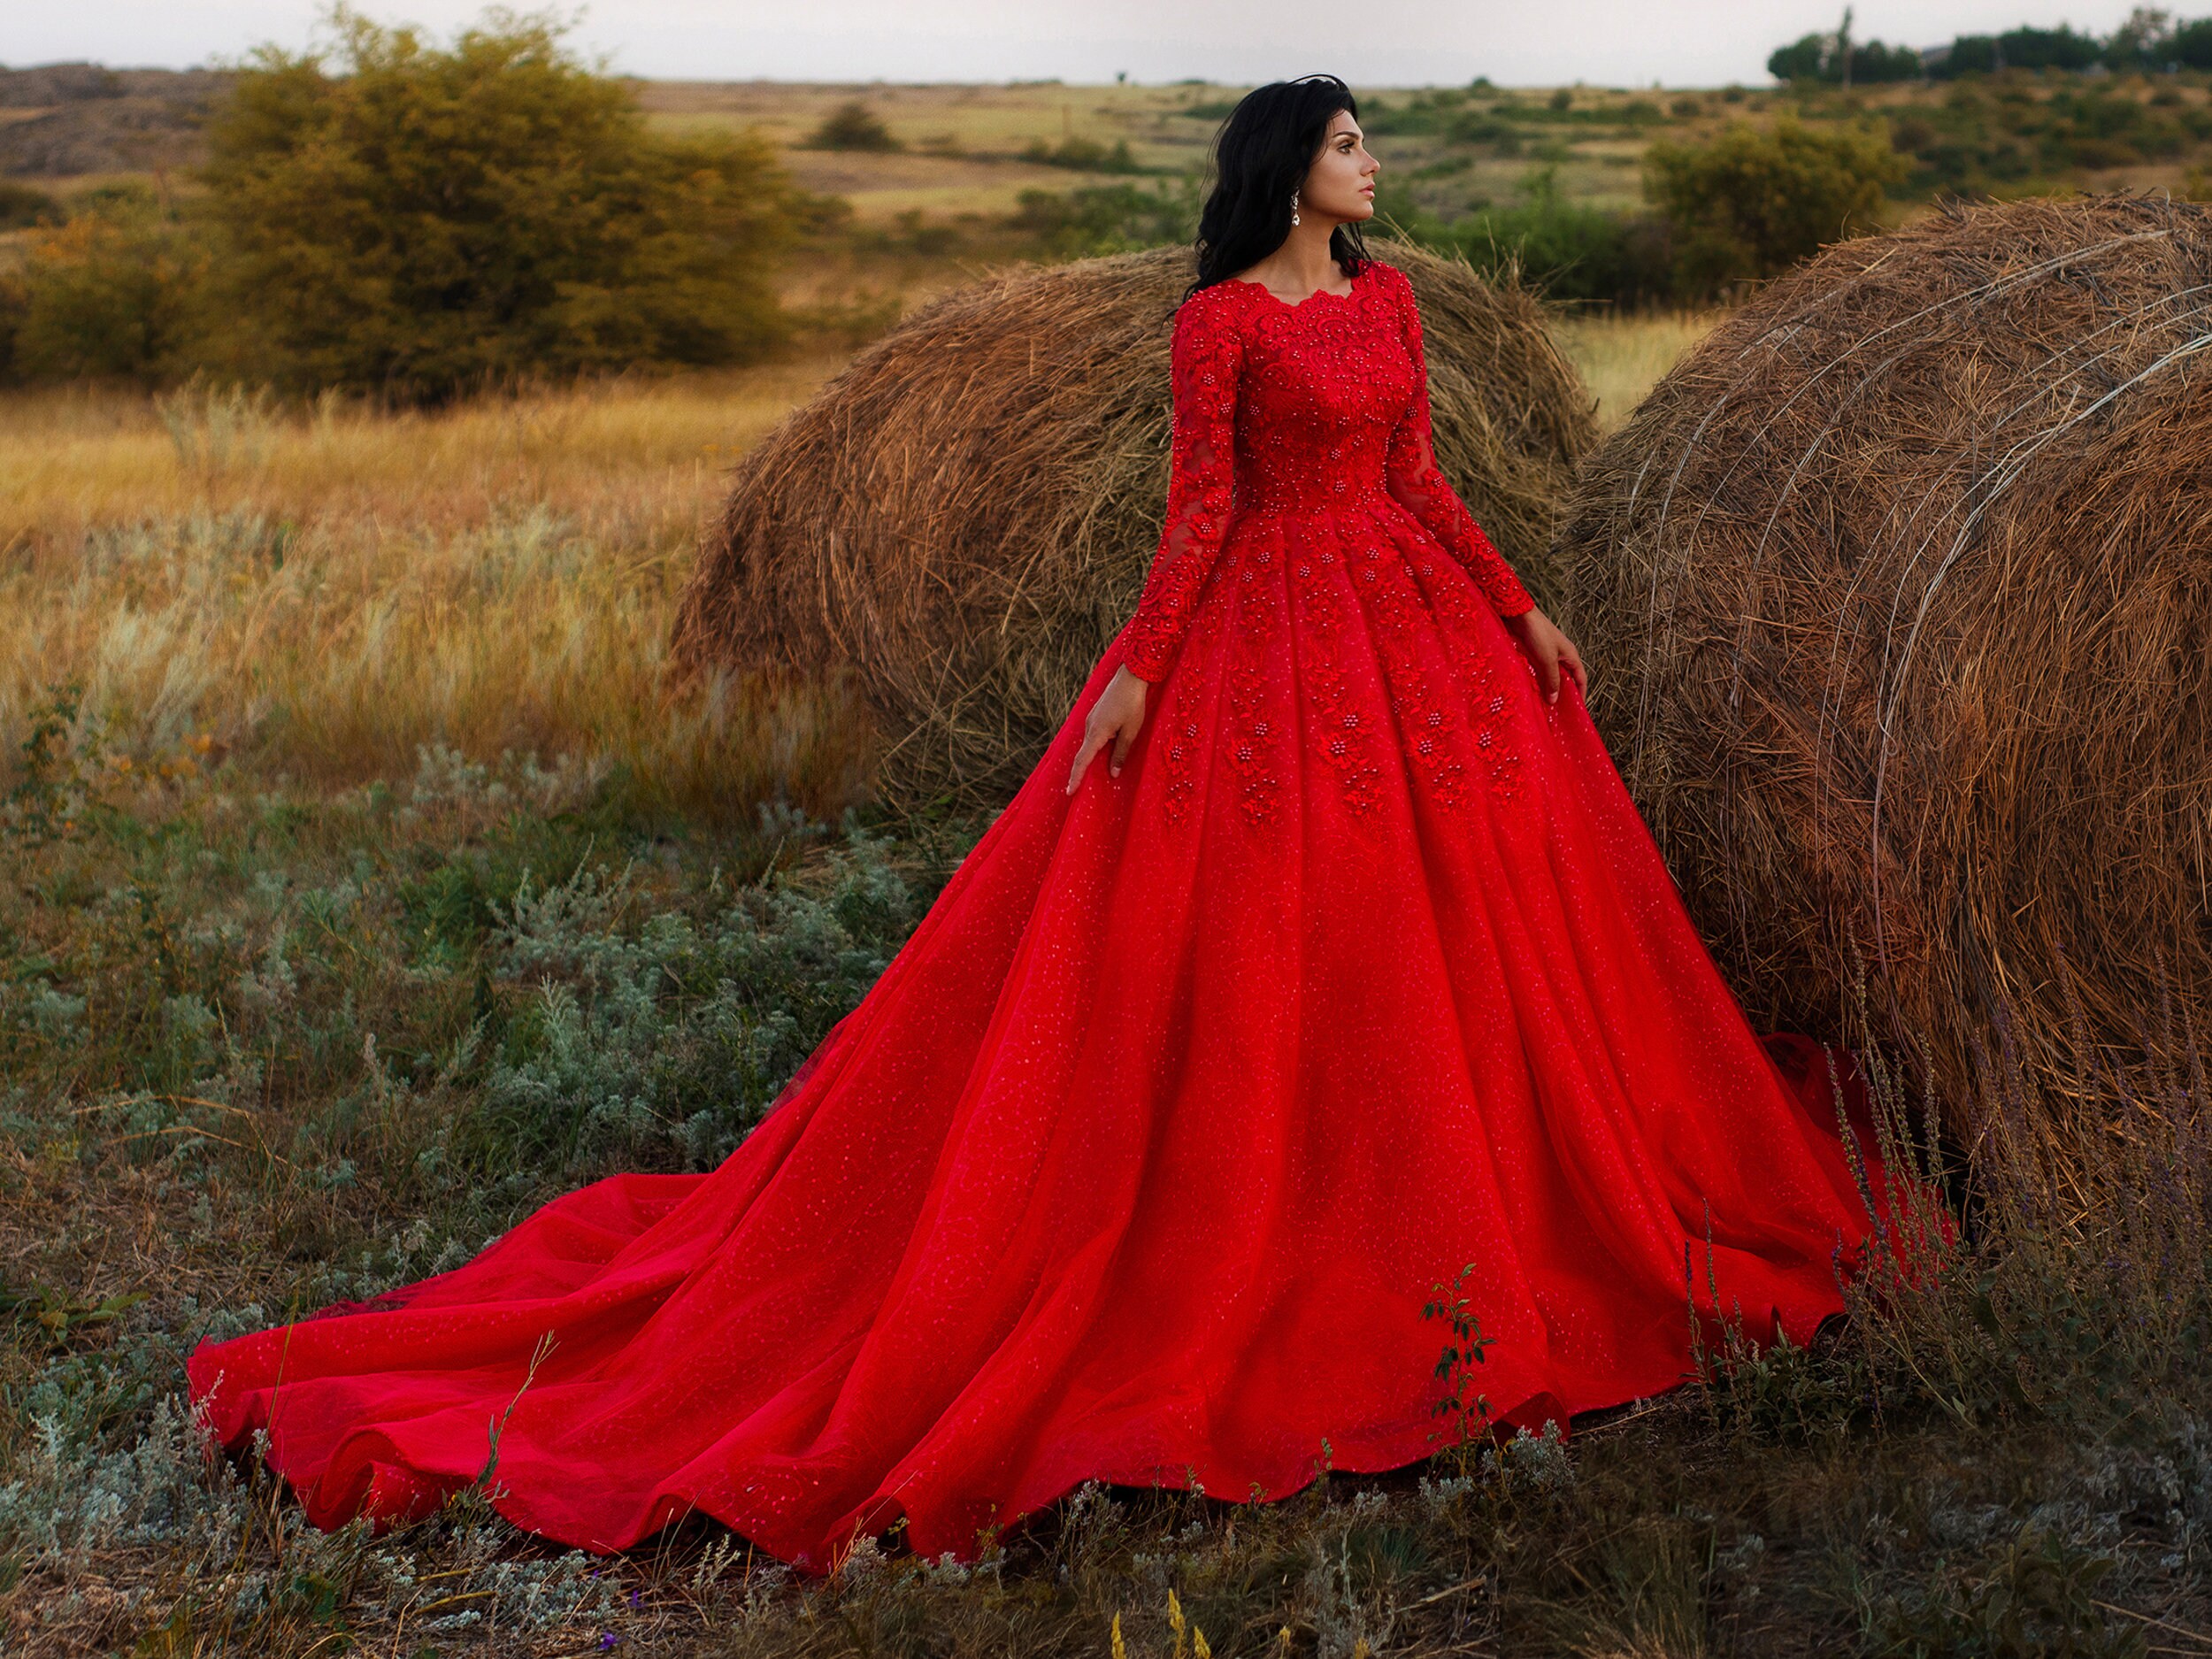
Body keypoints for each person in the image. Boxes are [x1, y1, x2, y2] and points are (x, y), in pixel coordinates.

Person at [188, 74, 1904, 1577]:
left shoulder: (1387, 302)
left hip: (1410, 624)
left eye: (1367, 143)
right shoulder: (1216, 324)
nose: (1371, 164)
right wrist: (1141, 673)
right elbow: (1198, 514)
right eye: (1346, 145)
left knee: (1447, 910)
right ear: (1284, 169)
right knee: (1260, 922)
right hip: (1262, 636)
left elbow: (1419, 481)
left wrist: (1520, 607)